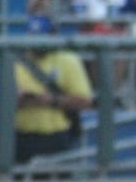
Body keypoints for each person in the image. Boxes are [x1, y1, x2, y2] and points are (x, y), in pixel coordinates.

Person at [14, 17, 92, 165]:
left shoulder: (67, 60)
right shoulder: (14, 59)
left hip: (56, 136)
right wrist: (20, 99)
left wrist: (52, 100)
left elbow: (85, 101)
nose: (38, 44)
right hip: (20, 135)